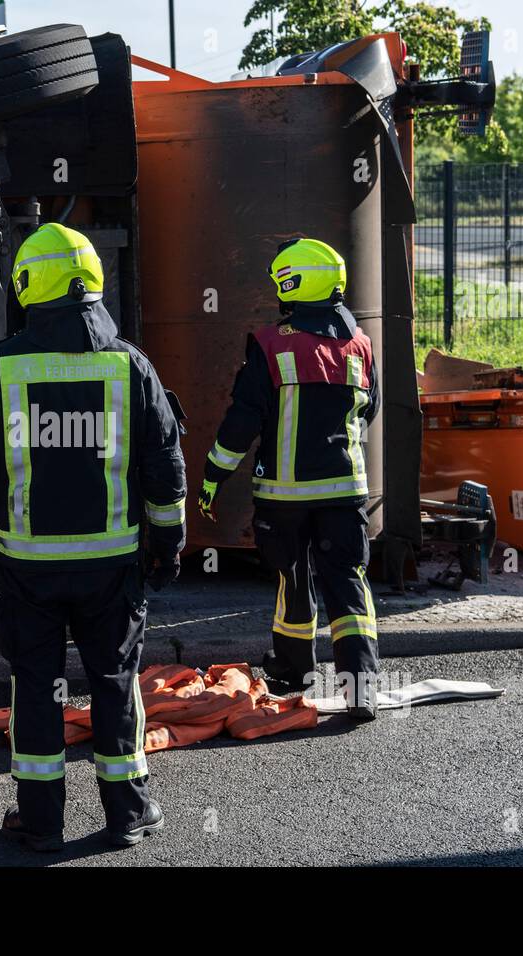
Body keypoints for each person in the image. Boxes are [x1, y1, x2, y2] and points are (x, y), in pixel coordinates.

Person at [0, 222, 187, 851]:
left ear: (28, 286)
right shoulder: (131, 366)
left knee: (35, 688)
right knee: (115, 681)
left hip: (26, 569)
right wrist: (168, 546)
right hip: (112, 567)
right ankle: (128, 813)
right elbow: (166, 473)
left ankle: (41, 822)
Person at [198, 237, 380, 719]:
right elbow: (371, 410)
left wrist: (213, 474)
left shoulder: (269, 343)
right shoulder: (360, 344)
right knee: (348, 582)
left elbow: (243, 421)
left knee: (293, 580)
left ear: (292, 283)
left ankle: (293, 673)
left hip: (285, 497)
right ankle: (362, 689)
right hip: (346, 493)